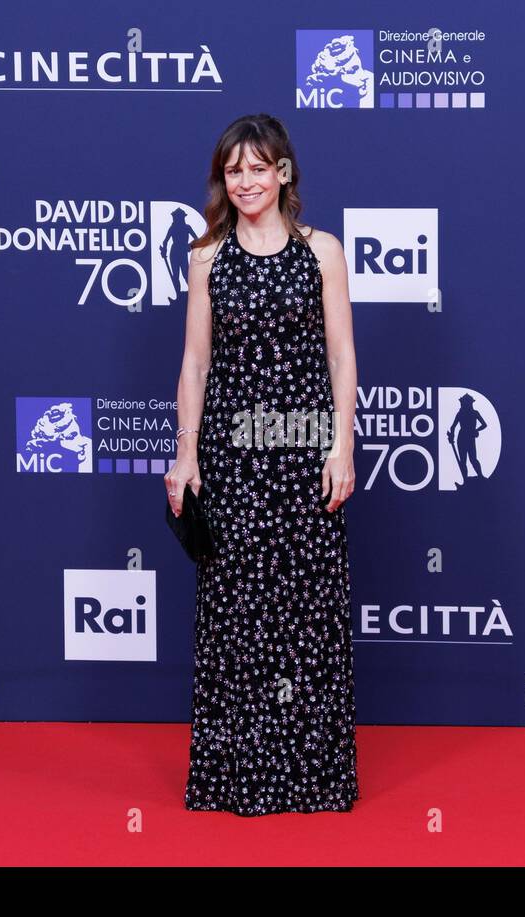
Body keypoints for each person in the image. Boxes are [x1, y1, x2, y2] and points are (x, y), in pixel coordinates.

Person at [165, 113, 359, 815]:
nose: (245, 181)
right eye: (233, 170)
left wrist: (341, 445)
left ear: (283, 173)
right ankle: (236, 775)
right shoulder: (207, 258)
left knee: (306, 616)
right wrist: (185, 454)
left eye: (258, 167)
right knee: (237, 616)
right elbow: (195, 360)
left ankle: (310, 775)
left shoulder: (324, 252)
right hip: (232, 458)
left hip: (304, 454)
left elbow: (341, 355)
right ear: (222, 179)